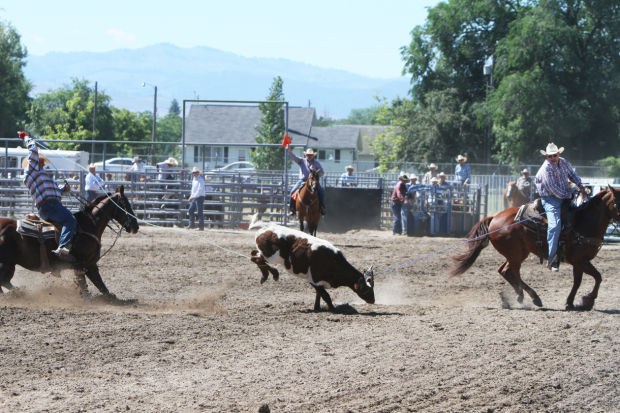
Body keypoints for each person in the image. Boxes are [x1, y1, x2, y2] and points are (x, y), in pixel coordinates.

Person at [19, 131, 76, 262]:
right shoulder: (32, 170)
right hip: (50, 206)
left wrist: (63, 190)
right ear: (34, 162)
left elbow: (49, 192)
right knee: (70, 220)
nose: (44, 164)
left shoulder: (40, 175)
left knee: (67, 221)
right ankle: (62, 248)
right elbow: (33, 149)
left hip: (49, 206)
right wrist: (26, 137)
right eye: (41, 162)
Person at [535, 143, 586, 272]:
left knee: (580, 214)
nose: (553, 157)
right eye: (550, 156)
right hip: (550, 199)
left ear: (559, 154)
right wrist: (569, 194)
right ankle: (551, 259)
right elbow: (553, 188)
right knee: (555, 225)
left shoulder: (563, 162)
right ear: (547, 156)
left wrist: (580, 185)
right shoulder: (546, 168)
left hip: (564, 195)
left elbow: (572, 174)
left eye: (555, 155)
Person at [286, 146, 326, 215]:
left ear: (313, 156)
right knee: (293, 191)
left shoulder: (316, 163)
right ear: (306, 155)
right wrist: (289, 151)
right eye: (308, 155)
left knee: (321, 191)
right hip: (302, 180)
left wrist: (317, 172)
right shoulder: (301, 161)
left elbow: (322, 173)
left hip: (313, 181)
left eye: (311, 155)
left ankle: (322, 207)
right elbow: (294, 157)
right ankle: (292, 209)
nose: (309, 156)